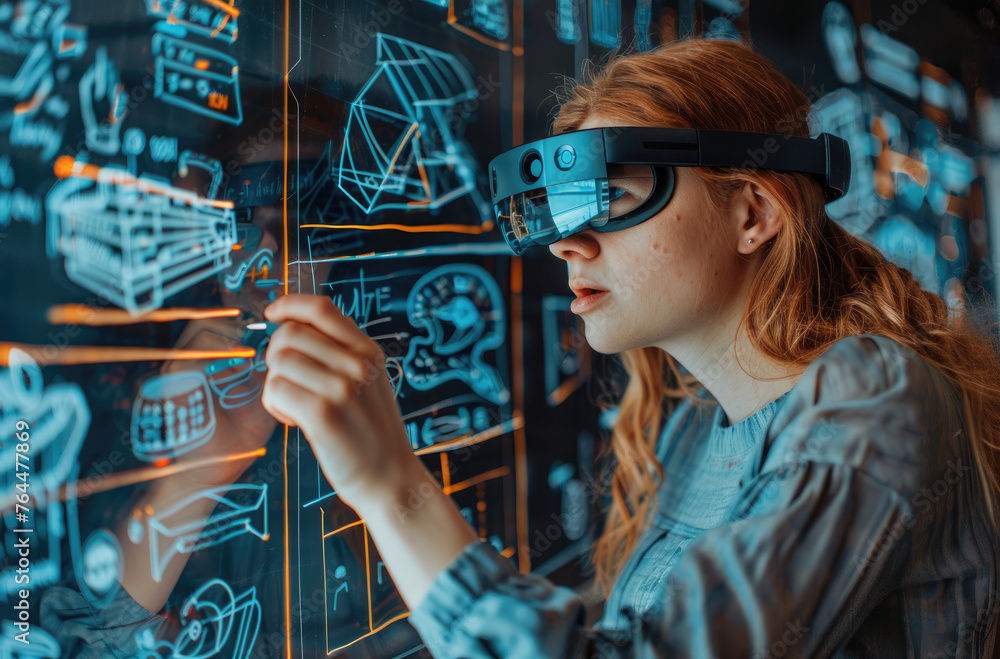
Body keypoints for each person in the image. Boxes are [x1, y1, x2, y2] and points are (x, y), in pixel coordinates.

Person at [258, 37, 1000, 656]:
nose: (569, 244)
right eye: (561, 210)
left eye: (610, 197)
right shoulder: (688, 434)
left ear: (752, 212)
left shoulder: (874, 398)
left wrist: (392, 487)